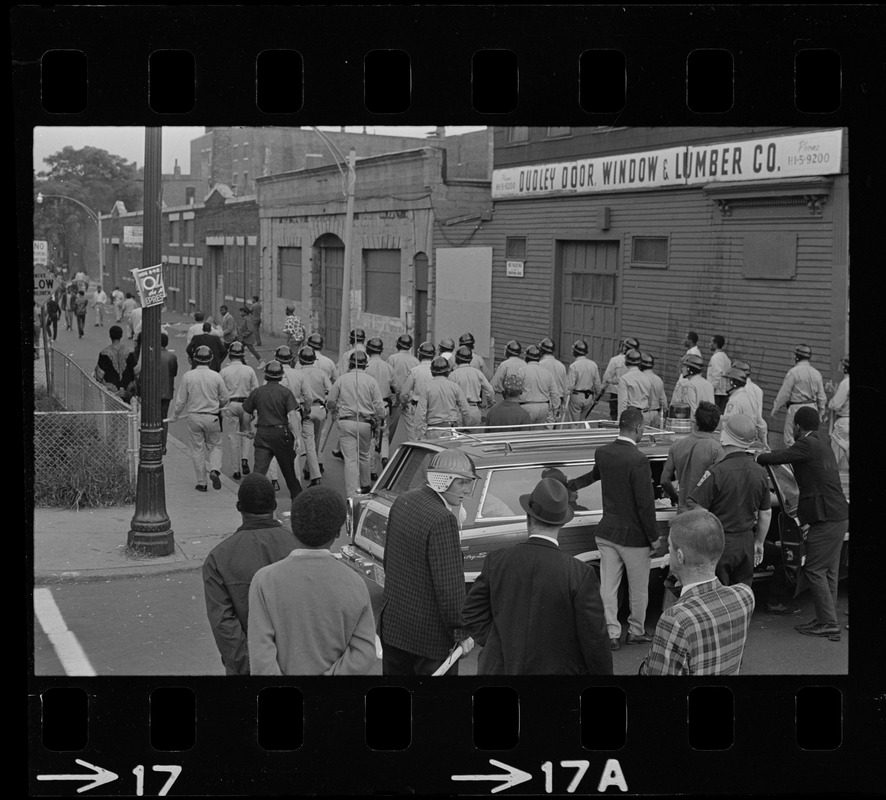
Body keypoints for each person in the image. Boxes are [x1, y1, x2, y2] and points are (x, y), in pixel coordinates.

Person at [461, 478, 612, 675]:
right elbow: (594, 638)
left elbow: (471, 614)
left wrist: (496, 640)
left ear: (528, 518)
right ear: (562, 523)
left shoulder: (497, 561)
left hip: (499, 669)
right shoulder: (579, 572)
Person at [248, 487, 376, 675]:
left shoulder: (264, 581)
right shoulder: (355, 583)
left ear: (292, 526)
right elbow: (364, 654)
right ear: (337, 533)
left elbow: (261, 661)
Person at [566, 408, 662, 650]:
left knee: (608, 586)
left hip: (607, 532)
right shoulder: (639, 460)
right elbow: (645, 504)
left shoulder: (603, 452)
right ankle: (636, 631)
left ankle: (611, 633)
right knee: (638, 589)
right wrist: (654, 537)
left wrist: (569, 485)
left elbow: (593, 476)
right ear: (639, 428)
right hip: (635, 538)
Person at [377, 448, 478, 675]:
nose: (467, 490)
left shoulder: (404, 500)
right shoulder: (442, 519)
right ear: (443, 480)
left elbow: (389, 562)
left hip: (393, 628)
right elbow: (450, 589)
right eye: (461, 483)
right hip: (429, 642)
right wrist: (461, 633)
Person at [756, 407, 849, 639]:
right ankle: (826, 620)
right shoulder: (822, 441)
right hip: (837, 516)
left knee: (814, 570)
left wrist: (756, 456)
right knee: (828, 572)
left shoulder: (806, 444)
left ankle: (828, 623)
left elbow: (777, 457)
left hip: (826, 518)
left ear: (797, 426)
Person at [639, 509, 755, 676]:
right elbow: (704, 597)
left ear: (680, 556)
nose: (668, 551)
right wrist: (678, 570)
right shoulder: (744, 596)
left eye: (670, 547)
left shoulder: (675, 619)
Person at [202, 473, 295, 675]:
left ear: (239, 507)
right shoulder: (298, 547)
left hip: (248, 667)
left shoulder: (218, 558)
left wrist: (251, 666)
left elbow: (224, 625)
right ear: (274, 506)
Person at [686, 414, 771, 587]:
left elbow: (699, 513)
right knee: (742, 595)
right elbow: (766, 513)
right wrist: (759, 542)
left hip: (719, 543)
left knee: (717, 595)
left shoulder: (716, 472)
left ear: (724, 437)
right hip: (746, 541)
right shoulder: (760, 472)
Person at [168, 344, 230, 492]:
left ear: (195, 360)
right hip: (212, 416)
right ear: (210, 360)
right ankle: (214, 469)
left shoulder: (188, 376)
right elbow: (225, 398)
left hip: (194, 417)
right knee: (215, 446)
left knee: (197, 449)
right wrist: (219, 404)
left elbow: (181, 401)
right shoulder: (216, 376)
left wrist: (175, 415)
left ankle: (202, 482)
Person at [326, 350, 386, 497]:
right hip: (366, 423)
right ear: (365, 365)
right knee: (364, 455)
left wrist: (335, 411)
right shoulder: (371, 381)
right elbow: (379, 407)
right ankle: (365, 486)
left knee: (350, 460)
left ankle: (352, 493)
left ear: (350, 364)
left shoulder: (341, 379)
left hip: (347, 422)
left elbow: (331, 402)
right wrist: (380, 421)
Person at [242, 361, 304, 501]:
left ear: (265, 375)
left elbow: (246, 414)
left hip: (262, 433)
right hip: (281, 434)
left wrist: (247, 430)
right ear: (282, 376)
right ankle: (298, 500)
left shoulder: (257, 392)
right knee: (289, 472)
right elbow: (292, 415)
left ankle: (251, 501)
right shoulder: (285, 392)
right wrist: (297, 436)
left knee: (258, 472)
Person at [661, 401, 724, 514]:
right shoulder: (717, 449)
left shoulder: (677, 445)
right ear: (716, 424)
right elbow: (721, 485)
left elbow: (664, 480)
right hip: (705, 516)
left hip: (682, 514)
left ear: (696, 422)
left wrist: (677, 498)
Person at [772, 344, 827, 447]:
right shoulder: (817, 373)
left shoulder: (793, 372)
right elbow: (822, 397)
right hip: (812, 408)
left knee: (790, 439)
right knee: (810, 438)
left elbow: (784, 393)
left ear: (796, 357)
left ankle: (792, 460)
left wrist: (776, 407)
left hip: (796, 408)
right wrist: (820, 413)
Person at [220, 341, 259, 479]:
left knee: (233, 437)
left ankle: (236, 470)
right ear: (242, 355)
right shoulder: (249, 370)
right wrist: (254, 408)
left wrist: (221, 406)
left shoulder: (224, 371)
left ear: (230, 355)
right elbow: (255, 390)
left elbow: (220, 392)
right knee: (247, 433)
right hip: (246, 404)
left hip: (231, 404)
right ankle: (245, 459)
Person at [134, 332, 178, 455]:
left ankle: (151, 442)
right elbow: (174, 373)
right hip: (166, 392)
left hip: (152, 392)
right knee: (163, 418)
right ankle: (162, 445)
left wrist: (140, 391)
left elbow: (142, 375)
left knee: (151, 418)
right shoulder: (171, 357)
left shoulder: (151, 356)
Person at [295, 345, 332, 485]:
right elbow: (331, 391)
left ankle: (315, 476)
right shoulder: (321, 373)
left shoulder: (297, 372)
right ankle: (308, 469)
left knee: (310, 444)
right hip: (321, 409)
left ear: (301, 359)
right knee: (315, 443)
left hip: (306, 410)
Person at [414, 356, 471, 439]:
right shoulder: (454, 387)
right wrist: (465, 428)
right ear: (448, 370)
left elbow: (420, 414)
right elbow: (466, 410)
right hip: (450, 430)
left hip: (432, 431)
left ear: (432, 371)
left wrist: (420, 435)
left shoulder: (426, 388)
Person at [365, 337, 396, 475]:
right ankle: (384, 456)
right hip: (384, 404)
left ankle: (372, 469)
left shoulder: (365, 366)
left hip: (369, 405)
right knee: (384, 433)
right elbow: (398, 386)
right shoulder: (388, 367)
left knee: (371, 436)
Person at [398, 341, 437, 440]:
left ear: (420, 354)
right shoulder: (437, 371)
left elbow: (403, 394)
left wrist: (403, 404)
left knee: (415, 439)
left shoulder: (415, 371)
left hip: (417, 408)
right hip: (434, 409)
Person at [449, 346, 494, 428]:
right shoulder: (478, 373)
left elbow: (448, 396)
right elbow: (490, 390)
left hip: (459, 410)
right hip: (474, 410)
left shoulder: (453, 375)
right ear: (470, 359)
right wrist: (490, 402)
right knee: (474, 438)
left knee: (459, 438)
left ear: (456, 359)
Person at [721, 367, 767, 446]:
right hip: (750, 440)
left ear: (733, 383)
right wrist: (763, 440)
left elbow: (728, 424)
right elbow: (760, 422)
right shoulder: (751, 398)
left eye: (727, 381)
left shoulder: (734, 401)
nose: (725, 384)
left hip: (736, 442)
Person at [387, 333, 419, 440]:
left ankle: (383, 452)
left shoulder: (392, 359)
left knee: (388, 428)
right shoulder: (415, 361)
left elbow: (389, 378)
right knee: (412, 430)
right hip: (409, 398)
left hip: (395, 398)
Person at [520, 345, 561, 424]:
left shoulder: (522, 371)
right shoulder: (547, 372)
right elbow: (555, 394)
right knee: (538, 433)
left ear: (526, 357)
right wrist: (556, 409)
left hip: (526, 406)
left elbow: (517, 391)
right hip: (544, 407)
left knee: (525, 433)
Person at [601, 337, 640, 420]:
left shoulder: (615, 360)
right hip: (633, 395)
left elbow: (606, 378)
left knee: (615, 417)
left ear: (624, 347)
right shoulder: (639, 361)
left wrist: (602, 389)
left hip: (616, 393)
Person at [563, 340, 601, 423]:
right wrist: (597, 396)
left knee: (574, 422)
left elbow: (570, 386)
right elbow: (597, 383)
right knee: (583, 420)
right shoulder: (593, 365)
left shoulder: (574, 366)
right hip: (588, 397)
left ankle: (574, 435)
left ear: (575, 352)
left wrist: (565, 401)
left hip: (576, 396)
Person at [670, 353, 715, 421]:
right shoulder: (709, 384)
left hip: (695, 425)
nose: (682, 369)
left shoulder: (689, 385)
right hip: (708, 424)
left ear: (689, 369)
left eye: (684, 366)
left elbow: (690, 411)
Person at [94, 325, 135, 399]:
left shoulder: (104, 354)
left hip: (111, 394)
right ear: (121, 335)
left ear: (110, 336)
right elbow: (136, 371)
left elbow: (99, 376)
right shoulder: (129, 352)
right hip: (127, 393)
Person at [538, 338, 568, 421]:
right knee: (554, 426)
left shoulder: (540, 364)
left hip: (544, 401)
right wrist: (564, 403)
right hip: (558, 402)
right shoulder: (561, 366)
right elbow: (565, 387)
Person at [827, 355, 849, 470]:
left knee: (833, 456)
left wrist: (831, 400)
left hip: (844, 422)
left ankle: (830, 480)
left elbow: (836, 404)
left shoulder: (845, 383)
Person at [638, 352, 667, 428]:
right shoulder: (658, 379)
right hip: (655, 414)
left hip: (642, 413)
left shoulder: (639, 379)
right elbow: (663, 401)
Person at [616, 348, 646, 420]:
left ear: (626, 361)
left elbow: (623, 402)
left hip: (631, 415)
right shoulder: (647, 378)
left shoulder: (624, 379)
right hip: (645, 414)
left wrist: (620, 419)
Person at [707, 335, 732, 412]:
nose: (709, 344)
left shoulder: (716, 357)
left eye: (711, 342)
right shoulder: (725, 357)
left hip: (717, 393)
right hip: (723, 392)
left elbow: (717, 374)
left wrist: (710, 389)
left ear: (716, 344)